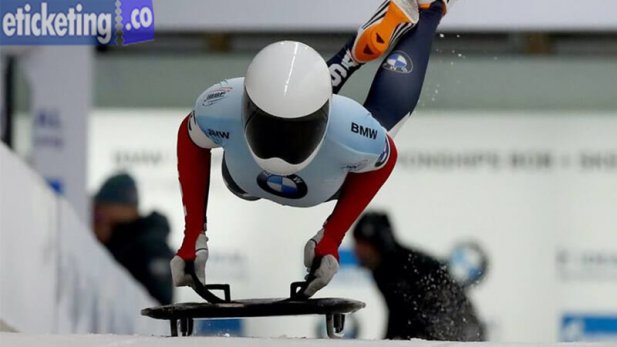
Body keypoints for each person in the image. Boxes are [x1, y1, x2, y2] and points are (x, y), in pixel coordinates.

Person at [171, 0, 457, 298]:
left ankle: (373, 44)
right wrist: (330, 237)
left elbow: (190, 137)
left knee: (371, 133)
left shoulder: (219, 106)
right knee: (376, 130)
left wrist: (193, 236)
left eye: (295, 131)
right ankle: (415, 19)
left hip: (249, 174)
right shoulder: (221, 106)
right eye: (268, 126)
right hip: (316, 177)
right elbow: (385, 158)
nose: (280, 146)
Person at [353, 211, 485, 340]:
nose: (357, 251)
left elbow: (407, 318)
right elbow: (400, 318)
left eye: (362, 245)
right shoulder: (386, 268)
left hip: (458, 335)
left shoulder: (401, 268)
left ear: (379, 244)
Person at [93, 172, 174, 305]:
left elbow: (158, 304)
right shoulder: (117, 239)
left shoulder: (151, 247)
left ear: (123, 207)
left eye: (103, 207)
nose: (100, 214)